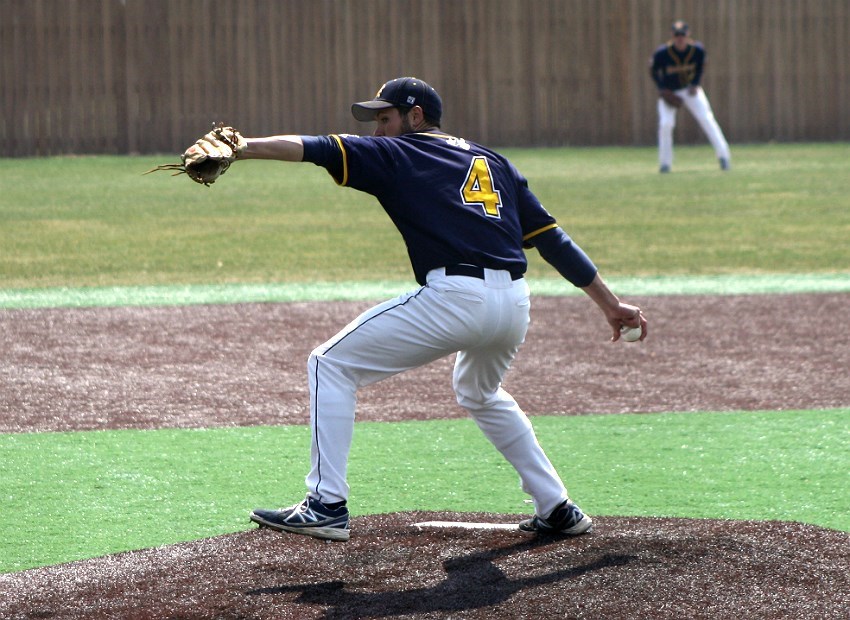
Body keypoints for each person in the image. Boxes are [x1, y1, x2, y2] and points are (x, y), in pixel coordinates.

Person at [232, 77, 647, 541]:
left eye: (384, 118)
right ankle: (557, 507)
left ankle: (326, 503)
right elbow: (552, 240)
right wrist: (610, 304)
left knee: (328, 365)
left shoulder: (400, 152)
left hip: (456, 297)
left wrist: (241, 147)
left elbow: (315, 148)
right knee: (480, 391)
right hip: (513, 303)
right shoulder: (494, 161)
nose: (376, 132)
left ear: (415, 117)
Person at [649, 20, 731, 173]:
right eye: (677, 35)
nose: (680, 38)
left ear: (688, 35)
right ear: (672, 36)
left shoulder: (697, 50)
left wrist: (695, 84)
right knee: (666, 124)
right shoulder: (662, 53)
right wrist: (662, 89)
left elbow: (701, 67)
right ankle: (665, 164)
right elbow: (653, 70)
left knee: (706, 119)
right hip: (670, 92)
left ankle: (724, 157)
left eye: (682, 35)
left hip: (690, 90)